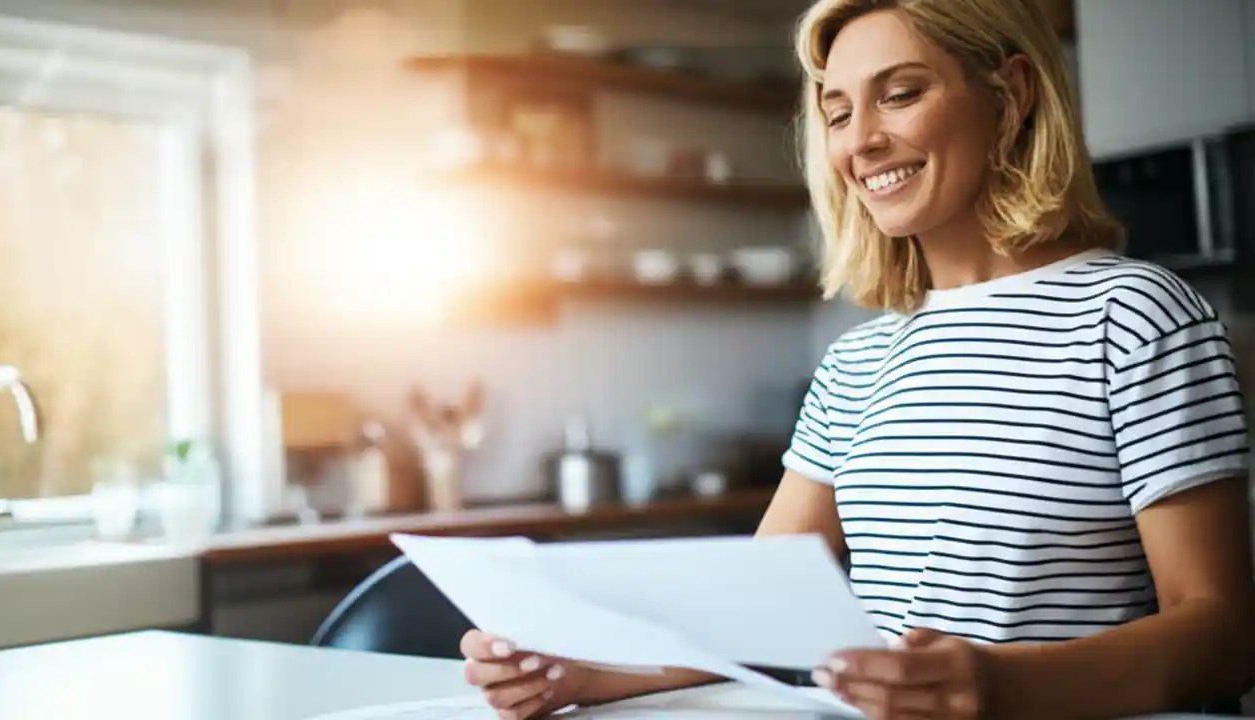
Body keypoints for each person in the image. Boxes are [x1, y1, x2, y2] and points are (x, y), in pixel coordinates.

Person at [460, 0, 1255, 718]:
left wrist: (999, 688)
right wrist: (584, 670)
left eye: (901, 93)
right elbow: (754, 607)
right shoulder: (859, 361)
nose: (861, 141)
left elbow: (1223, 633)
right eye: (837, 113)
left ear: (1010, 96)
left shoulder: (1134, 314)